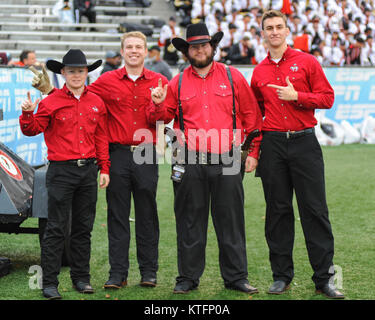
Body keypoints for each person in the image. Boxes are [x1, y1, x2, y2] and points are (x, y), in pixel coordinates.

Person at [149, 23, 263, 294]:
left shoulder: (233, 76)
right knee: (189, 221)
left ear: (213, 47)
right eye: (194, 47)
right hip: (189, 161)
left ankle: (236, 278)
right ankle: (187, 278)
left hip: (228, 159)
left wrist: (254, 152)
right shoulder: (175, 82)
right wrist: (157, 103)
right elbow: (162, 119)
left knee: (231, 221)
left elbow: (252, 117)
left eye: (204, 45)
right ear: (186, 52)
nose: (200, 50)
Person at [250, 10, 345, 299]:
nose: (274, 31)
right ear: (263, 33)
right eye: (269, 28)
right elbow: (256, 117)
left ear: (287, 30)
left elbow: (327, 97)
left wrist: (298, 98)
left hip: (305, 143)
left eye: (279, 26)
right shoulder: (258, 72)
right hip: (273, 146)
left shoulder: (307, 61)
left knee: (315, 211)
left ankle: (324, 279)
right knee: (277, 212)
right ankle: (281, 276)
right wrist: (253, 152)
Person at [20, 49, 110, 299]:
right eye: (71, 71)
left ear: (86, 72)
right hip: (61, 172)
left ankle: (82, 279)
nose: (77, 75)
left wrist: (105, 167)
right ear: (63, 73)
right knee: (56, 228)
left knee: (83, 228)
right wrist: (28, 112)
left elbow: (101, 136)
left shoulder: (96, 102)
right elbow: (32, 129)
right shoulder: (51, 101)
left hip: (88, 171)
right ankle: (49, 283)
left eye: (81, 71)